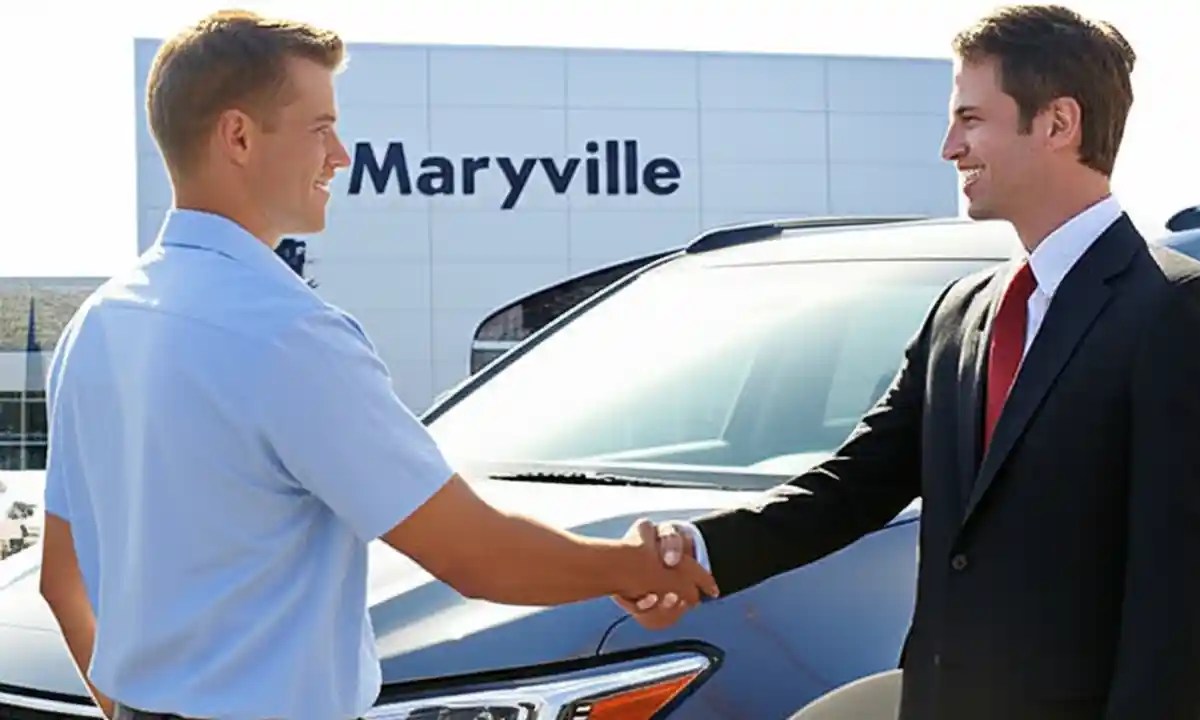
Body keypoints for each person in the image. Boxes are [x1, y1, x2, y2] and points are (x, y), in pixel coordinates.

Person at [37, 10, 715, 720]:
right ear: (238, 136)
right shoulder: (290, 333)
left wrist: (127, 712)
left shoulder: (99, 325)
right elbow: (476, 556)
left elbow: (62, 580)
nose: (342, 155)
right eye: (319, 127)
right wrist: (629, 566)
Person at [621, 5, 1200, 720]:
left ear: (1057, 124)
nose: (950, 146)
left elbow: (1186, 586)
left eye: (972, 118)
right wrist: (699, 548)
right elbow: (854, 485)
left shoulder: (1175, 310)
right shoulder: (963, 311)